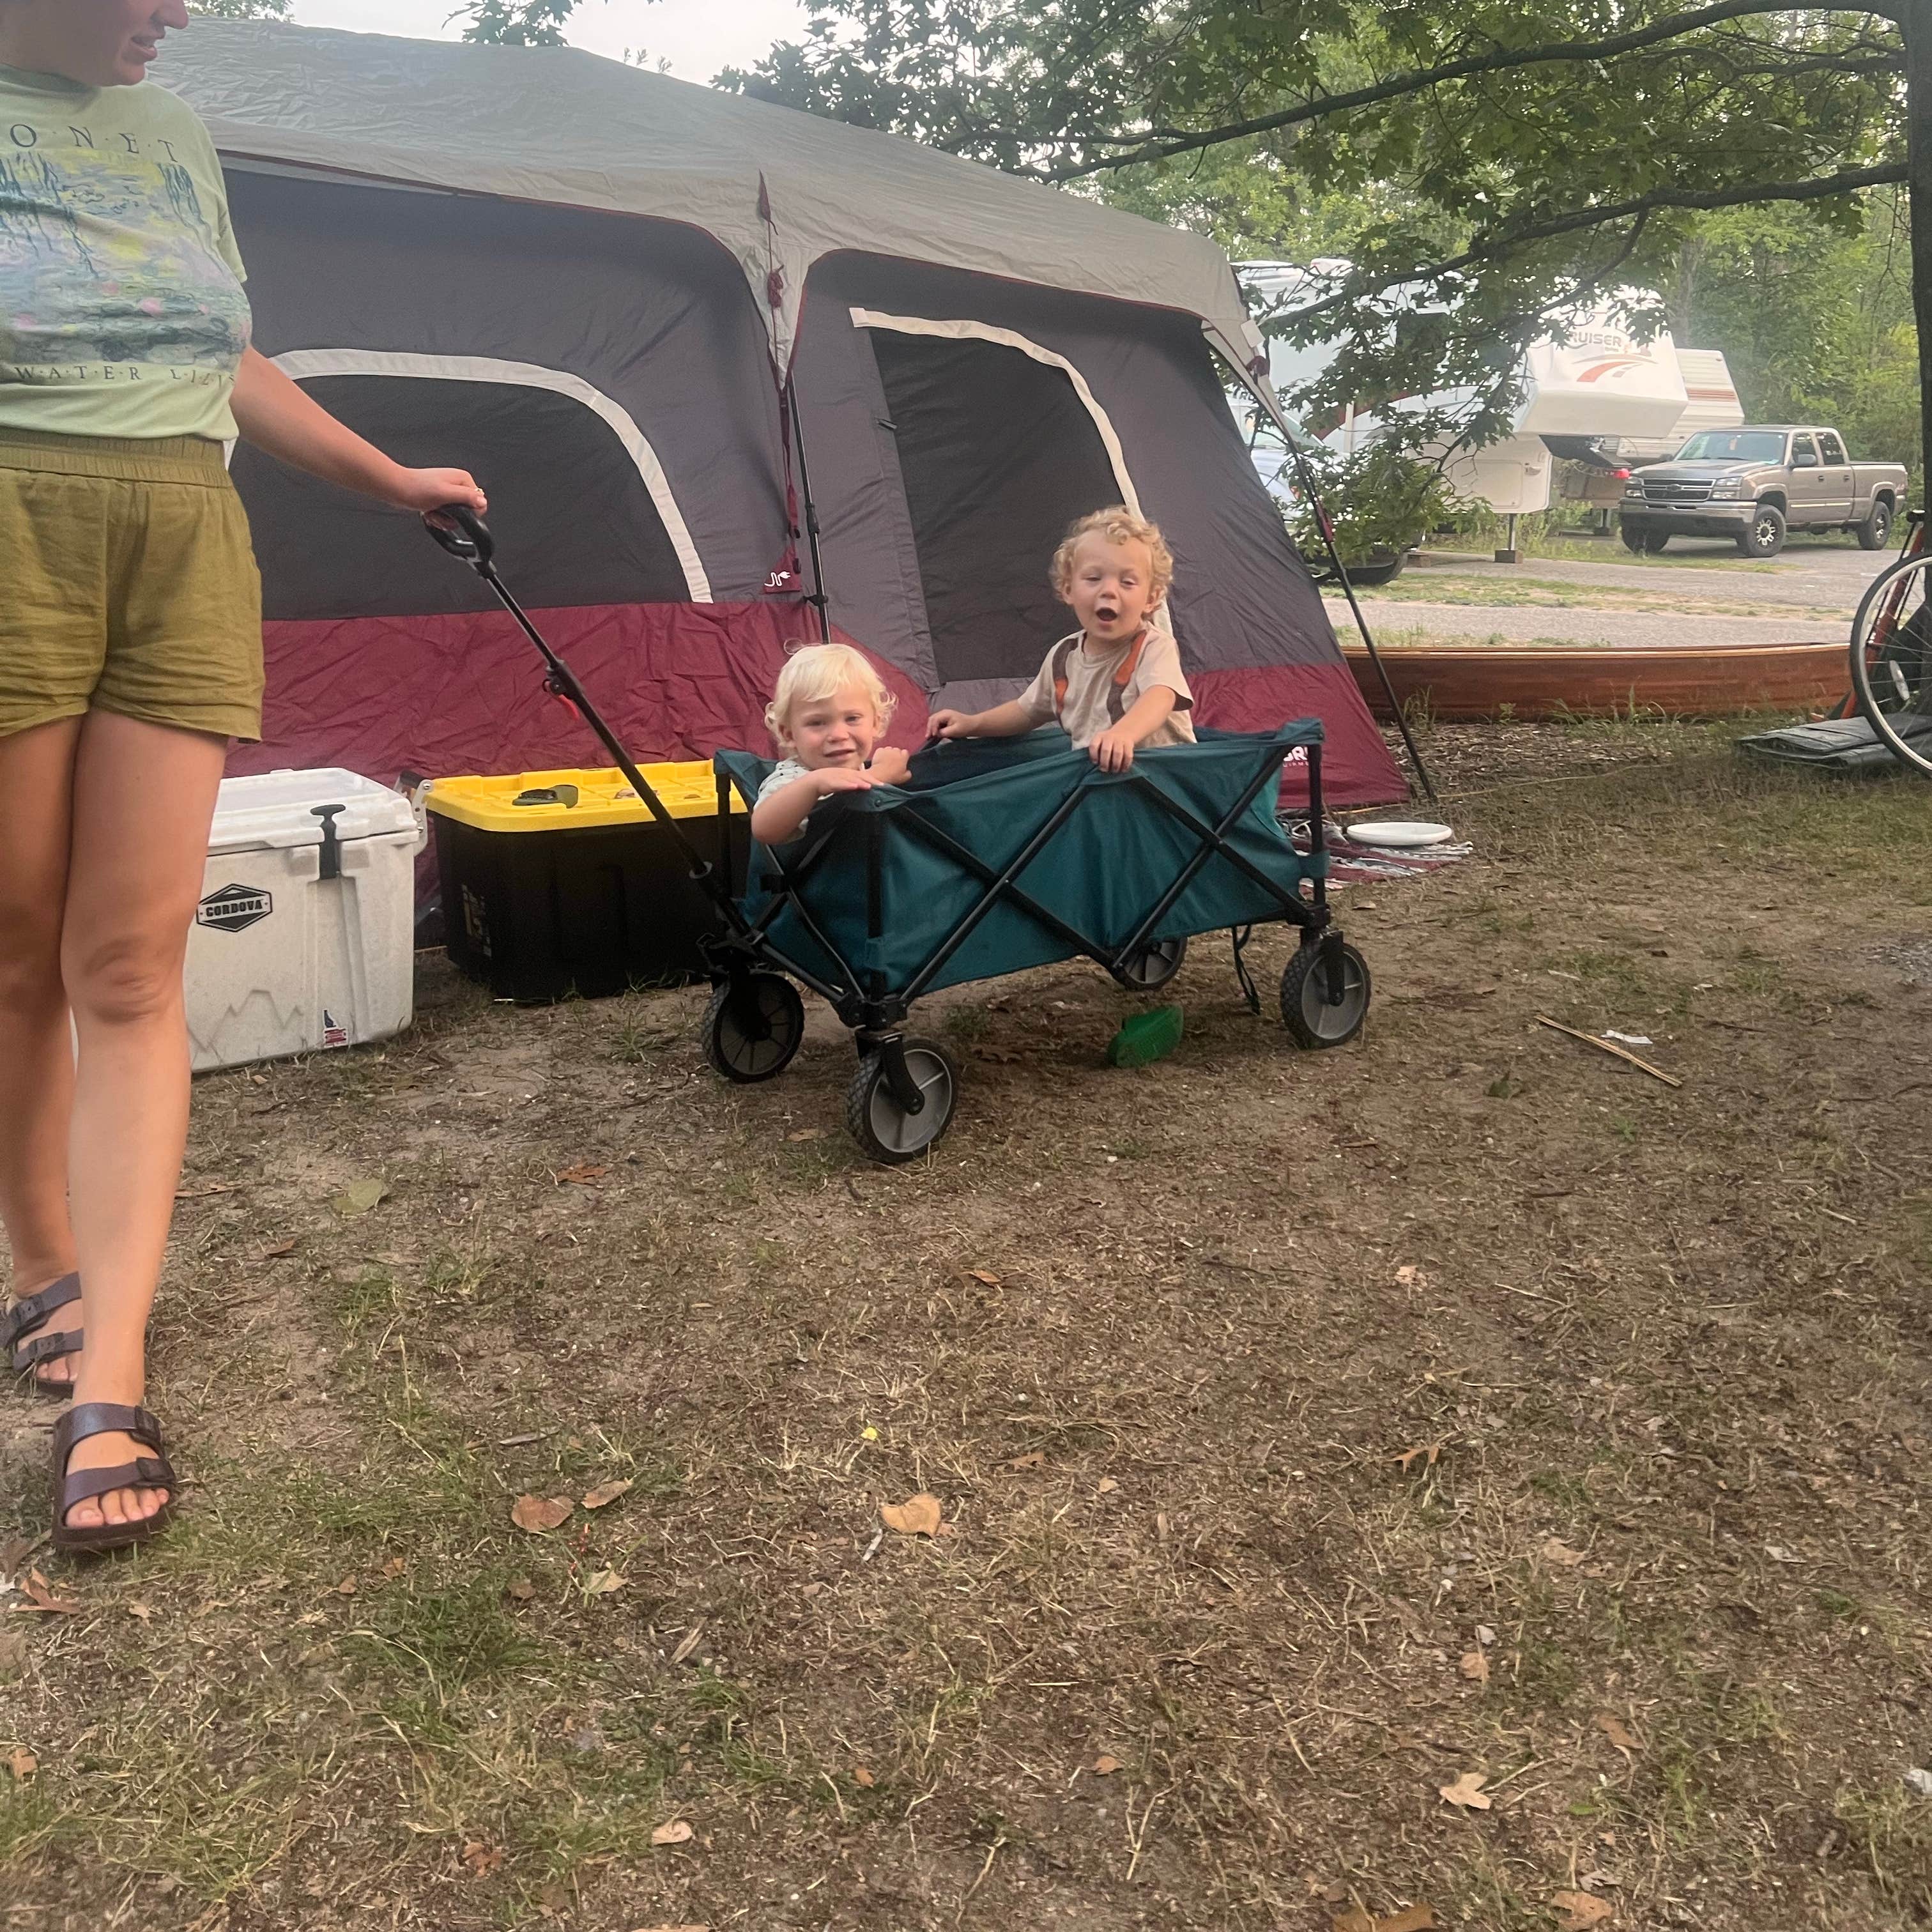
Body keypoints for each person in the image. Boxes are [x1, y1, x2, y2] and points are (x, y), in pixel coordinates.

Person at [0, 0, 486, 1553]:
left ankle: (113, 1376)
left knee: (130, 966)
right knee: (15, 955)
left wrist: (390, 476)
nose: (177, 15)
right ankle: (41, 1270)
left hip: (183, 538)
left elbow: (230, 359)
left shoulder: (171, 133)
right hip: (10, 519)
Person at [926, 507, 1195, 772]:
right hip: (1099, 782)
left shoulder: (1153, 646)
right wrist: (973, 724)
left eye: (1127, 582)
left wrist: (1124, 733)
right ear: (1068, 590)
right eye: (1093, 578)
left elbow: (1160, 697)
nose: (1109, 591)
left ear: (1151, 599)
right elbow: (1027, 711)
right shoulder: (1063, 658)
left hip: (1166, 779)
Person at [749, 644, 912, 847]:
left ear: (875, 723)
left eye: (852, 719)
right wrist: (881, 774)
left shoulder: (857, 767)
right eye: (817, 723)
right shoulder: (794, 779)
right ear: (788, 733)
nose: (838, 735)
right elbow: (764, 831)